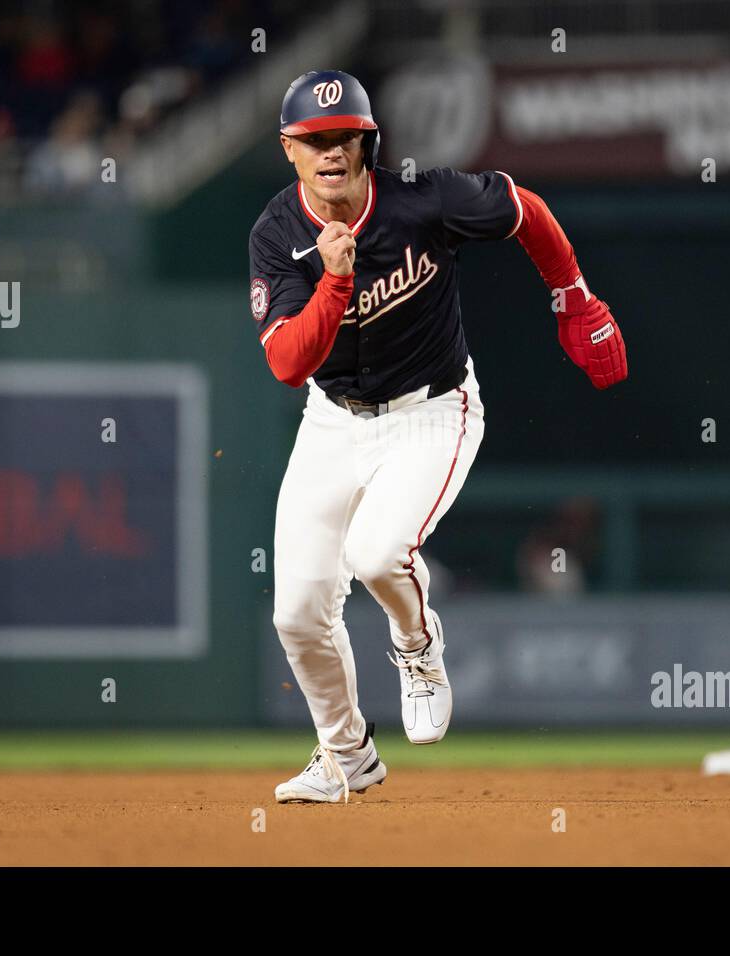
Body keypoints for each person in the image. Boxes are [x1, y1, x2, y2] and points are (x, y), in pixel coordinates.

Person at [248, 70, 627, 803]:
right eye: (314, 140)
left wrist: (573, 297)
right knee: (296, 612)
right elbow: (289, 364)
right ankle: (346, 757)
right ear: (290, 151)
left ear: (370, 144)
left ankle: (417, 648)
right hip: (333, 419)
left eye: (346, 138)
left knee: (378, 552)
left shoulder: (424, 198)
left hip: (433, 409)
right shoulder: (276, 233)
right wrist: (333, 283)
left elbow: (524, 210)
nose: (332, 152)